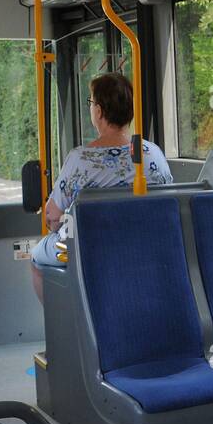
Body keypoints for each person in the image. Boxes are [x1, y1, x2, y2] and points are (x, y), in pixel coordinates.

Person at [31, 72, 173, 300]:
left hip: (93, 248)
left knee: (37, 258)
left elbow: (52, 216)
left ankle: (61, 331)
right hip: (146, 243)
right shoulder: (154, 153)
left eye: (91, 102)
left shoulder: (81, 158)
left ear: (98, 111)